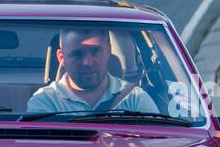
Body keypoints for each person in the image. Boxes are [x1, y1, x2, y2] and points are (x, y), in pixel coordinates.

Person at [26, 28, 159, 115]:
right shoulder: (45, 101)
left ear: (108, 50)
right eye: (77, 54)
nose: (87, 62)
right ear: (61, 57)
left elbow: (159, 146)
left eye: (95, 51)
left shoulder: (135, 98)